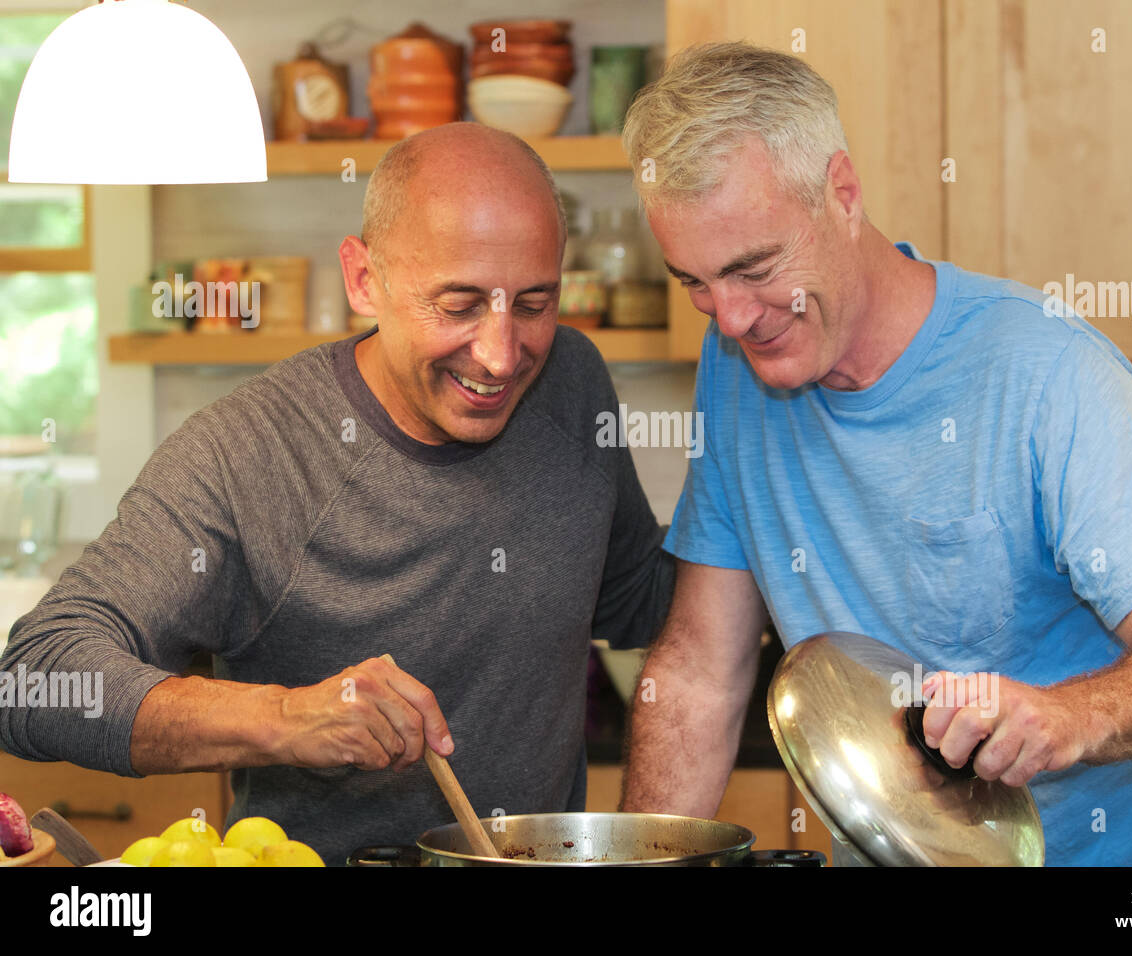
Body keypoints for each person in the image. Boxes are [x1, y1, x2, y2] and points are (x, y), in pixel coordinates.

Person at [617, 43, 1132, 866]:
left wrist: (1069, 718)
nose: (730, 317)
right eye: (694, 282)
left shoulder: (1045, 371)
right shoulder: (738, 367)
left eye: (754, 268)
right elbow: (700, 668)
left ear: (842, 193)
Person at [0, 123, 674, 865]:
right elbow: (36, 677)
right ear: (364, 280)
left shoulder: (570, 382)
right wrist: (285, 717)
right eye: (458, 305)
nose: (501, 353)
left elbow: (638, 595)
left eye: (535, 304)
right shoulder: (249, 451)